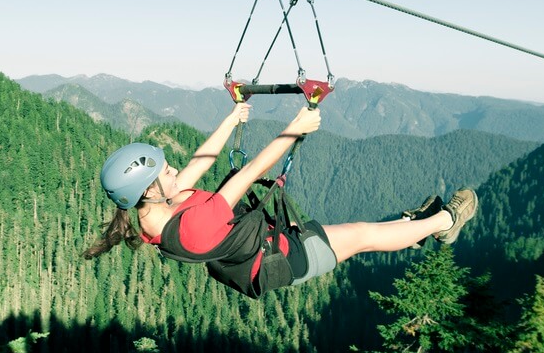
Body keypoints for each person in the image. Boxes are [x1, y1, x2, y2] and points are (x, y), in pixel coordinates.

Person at [84, 102, 478, 297]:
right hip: (281, 259)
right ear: (150, 189)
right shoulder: (193, 225)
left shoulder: (152, 215)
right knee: (361, 236)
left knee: (363, 234)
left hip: (267, 246)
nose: (174, 172)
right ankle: (444, 223)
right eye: (165, 171)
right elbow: (253, 170)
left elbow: (197, 166)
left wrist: (229, 120)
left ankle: (414, 227)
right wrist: (296, 128)